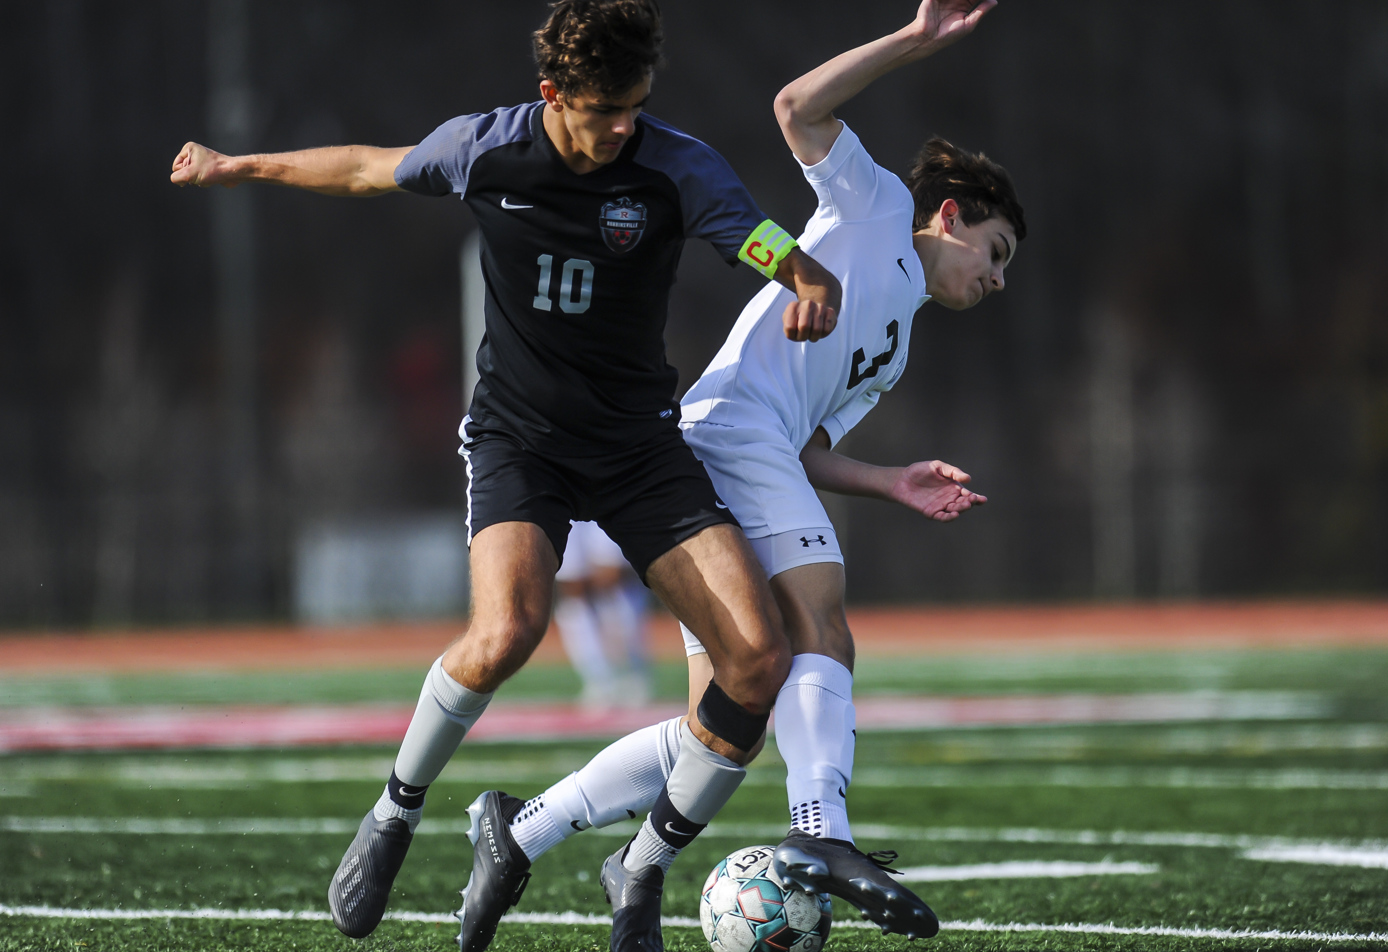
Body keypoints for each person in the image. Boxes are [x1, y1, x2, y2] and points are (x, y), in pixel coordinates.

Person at [170, 2, 843, 949]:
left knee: (758, 661)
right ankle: (395, 812)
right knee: (508, 632)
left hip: (639, 449)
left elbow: (761, 243)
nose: (624, 128)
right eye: (606, 109)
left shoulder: (676, 165)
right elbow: (365, 167)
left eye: (637, 107)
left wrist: (809, 276)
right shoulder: (486, 149)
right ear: (552, 96)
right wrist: (239, 165)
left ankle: (638, 868)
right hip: (520, 441)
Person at [463, 0, 1023, 943]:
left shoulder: (896, 348)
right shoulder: (876, 200)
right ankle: (822, 834)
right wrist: (914, 42)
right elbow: (796, 105)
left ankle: (526, 834)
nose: (997, 279)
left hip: (750, 446)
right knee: (823, 622)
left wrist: (890, 480)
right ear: (952, 217)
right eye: (997, 253)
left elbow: (812, 451)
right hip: (727, 430)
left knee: (729, 715)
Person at [555, 520, 651, 707]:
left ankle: (632, 674)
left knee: (611, 580)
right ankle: (599, 680)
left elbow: (613, 575)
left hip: (604, 495)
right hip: (563, 502)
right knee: (573, 591)